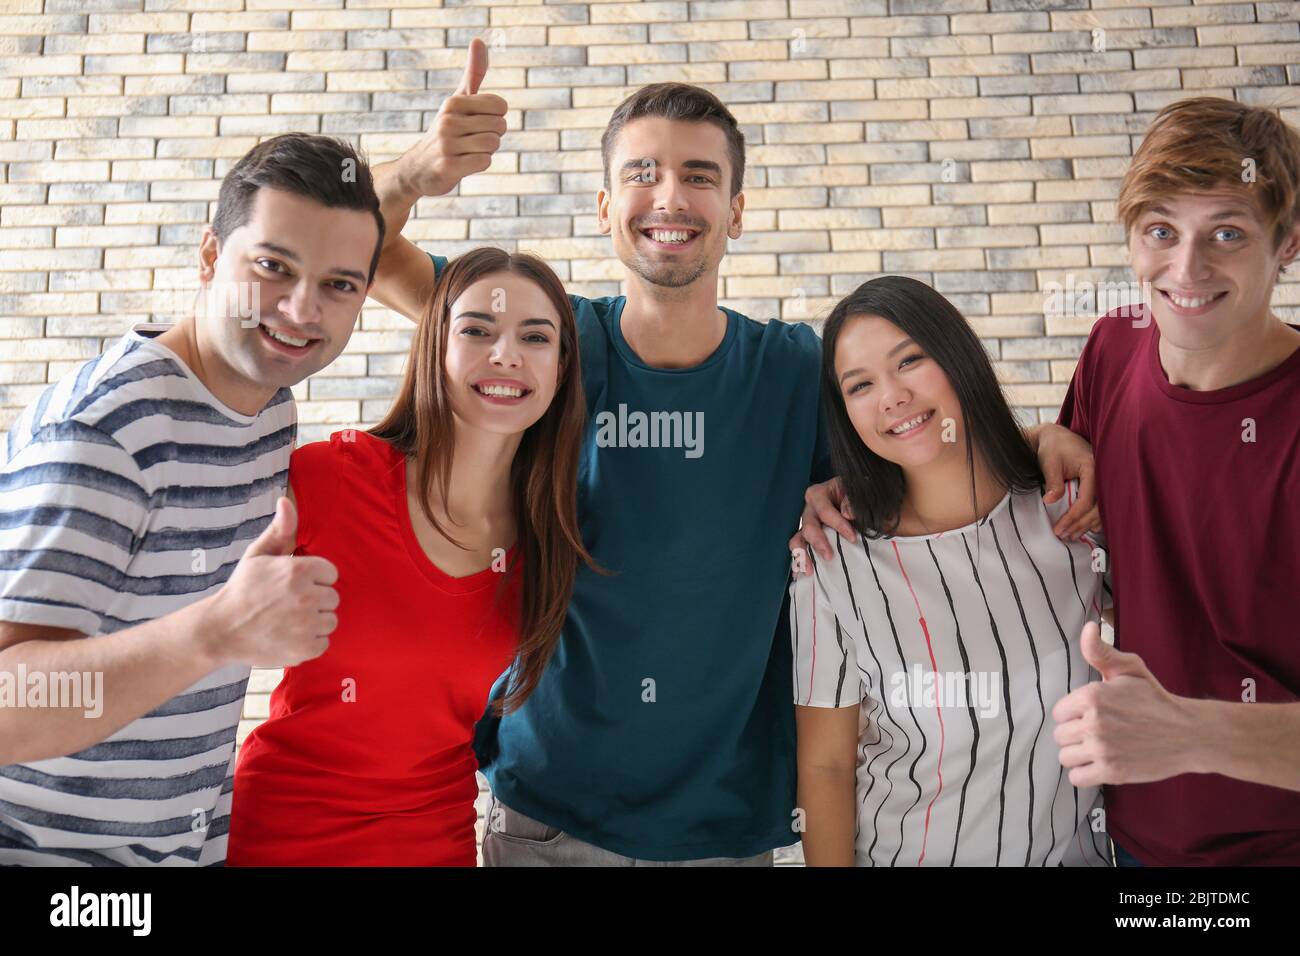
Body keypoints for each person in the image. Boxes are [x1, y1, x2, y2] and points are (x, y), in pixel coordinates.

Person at [367, 39, 1098, 865]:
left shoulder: (793, 368)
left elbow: (919, 436)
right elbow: (365, 260)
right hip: (550, 817)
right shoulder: (550, 342)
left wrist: (1036, 438)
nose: (669, 195)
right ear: (604, 209)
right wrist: (411, 176)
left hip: (729, 830)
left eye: (699, 176)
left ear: (736, 212)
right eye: (641, 174)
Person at [0, 133, 384, 865]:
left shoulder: (267, 404)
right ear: (211, 257)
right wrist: (216, 630)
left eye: (339, 284)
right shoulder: (104, 433)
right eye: (273, 267)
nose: (302, 309)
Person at [227, 248, 598, 866]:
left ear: (562, 368)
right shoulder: (332, 477)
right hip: (278, 837)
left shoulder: (551, 539)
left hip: (433, 845)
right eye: (477, 330)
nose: (506, 354)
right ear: (435, 347)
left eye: (536, 337)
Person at [1050, 96, 1300, 866]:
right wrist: (1032, 440)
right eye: (1162, 231)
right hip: (1133, 841)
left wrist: (1189, 732)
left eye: (1227, 233)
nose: (1186, 269)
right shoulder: (1112, 348)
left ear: (1287, 243)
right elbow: (1098, 532)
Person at [791, 276, 1109, 867]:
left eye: (909, 360)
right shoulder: (829, 563)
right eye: (860, 385)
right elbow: (826, 766)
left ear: (957, 355)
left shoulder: (1072, 516)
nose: (891, 397)